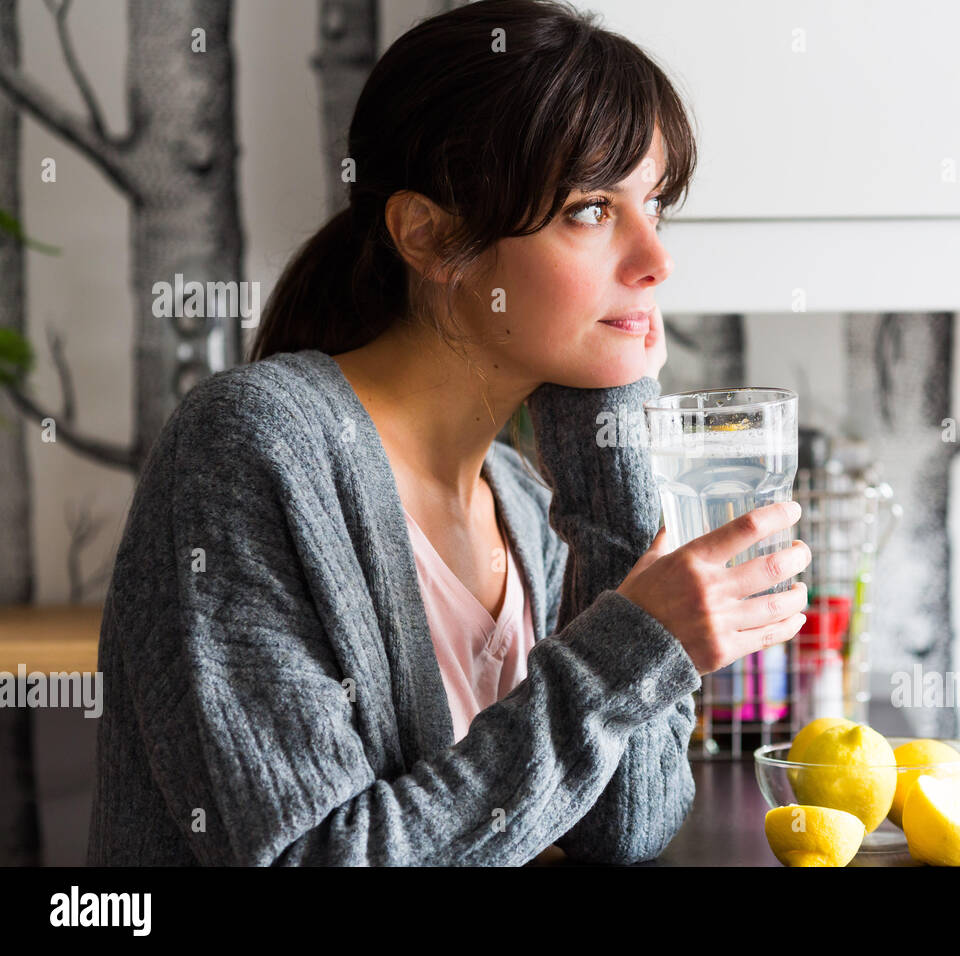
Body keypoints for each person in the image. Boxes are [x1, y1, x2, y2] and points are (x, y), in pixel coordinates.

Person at [87, 0, 809, 866]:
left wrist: (607, 434)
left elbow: (622, 829)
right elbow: (318, 855)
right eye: (590, 210)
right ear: (428, 235)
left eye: (654, 203)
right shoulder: (253, 446)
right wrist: (636, 649)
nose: (657, 257)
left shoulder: (521, 500)